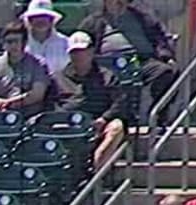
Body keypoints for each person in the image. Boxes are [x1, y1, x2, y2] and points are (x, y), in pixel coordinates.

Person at [77, 0, 176, 110]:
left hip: (140, 61)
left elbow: (160, 38)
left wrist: (166, 56)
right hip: (107, 65)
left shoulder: (143, 17)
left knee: (164, 71)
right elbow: (82, 43)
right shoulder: (92, 22)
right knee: (105, 81)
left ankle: (158, 114)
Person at [52, 32, 129, 171]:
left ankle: (97, 170)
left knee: (117, 127)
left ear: (91, 51)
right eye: (74, 52)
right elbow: (51, 105)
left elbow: (120, 102)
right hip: (68, 125)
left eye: (82, 51)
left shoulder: (106, 76)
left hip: (98, 123)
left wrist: (104, 119)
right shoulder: (58, 78)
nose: (79, 55)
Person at [0, 22, 50, 118]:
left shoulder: (38, 64)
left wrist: (8, 103)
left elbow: (37, 94)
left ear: (24, 42)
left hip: (30, 115)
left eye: (17, 41)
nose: (13, 45)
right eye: (9, 42)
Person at [21, 0, 69, 74]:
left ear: (52, 20)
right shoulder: (20, 43)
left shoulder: (66, 43)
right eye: (36, 16)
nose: (40, 20)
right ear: (29, 21)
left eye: (45, 16)